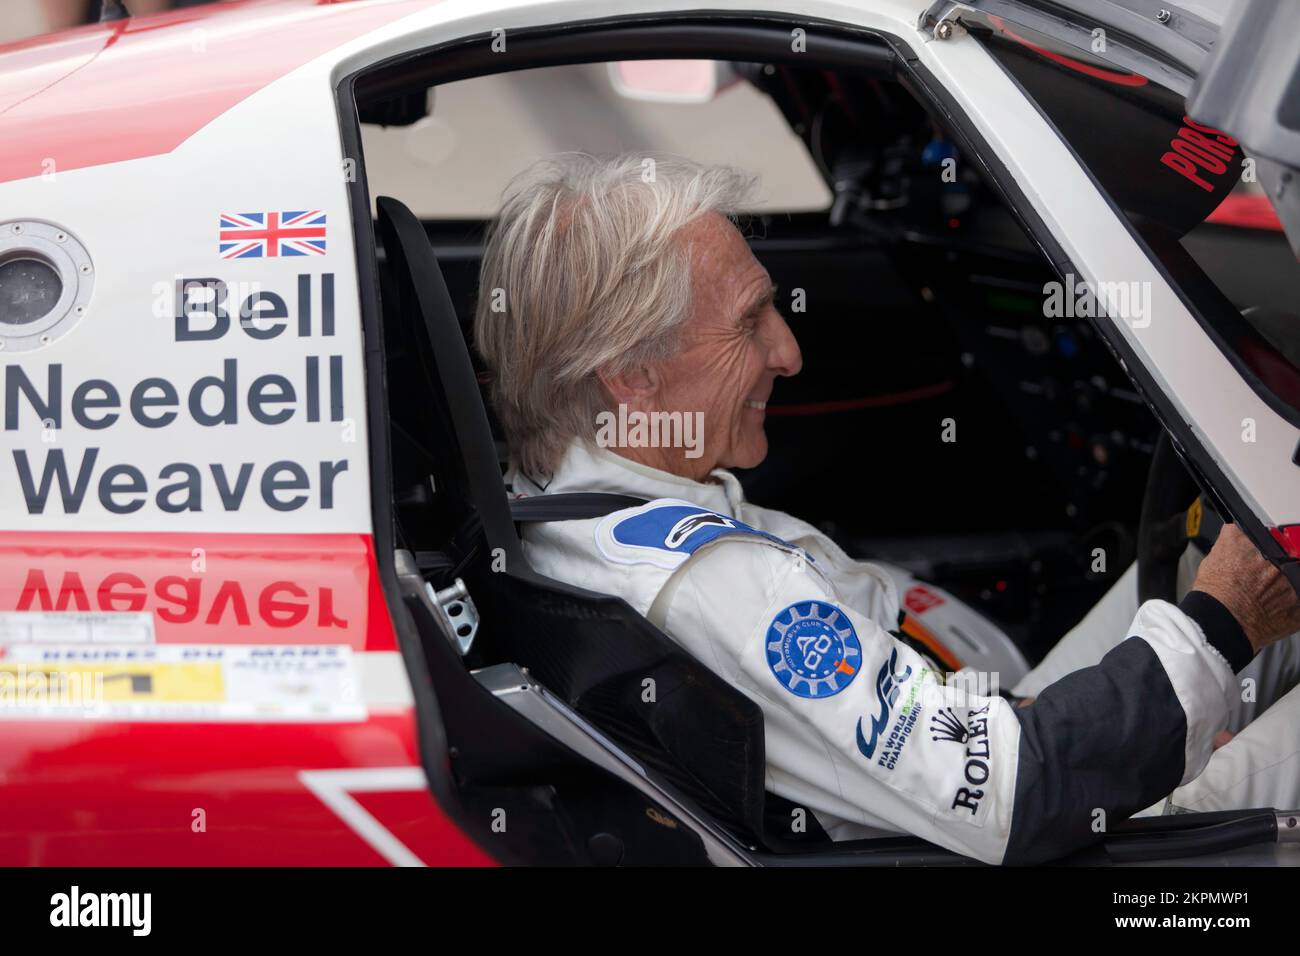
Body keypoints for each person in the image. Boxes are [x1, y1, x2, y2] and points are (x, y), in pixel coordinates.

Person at [472, 153, 1300, 864]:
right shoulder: (717, 585)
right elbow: (1019, 791)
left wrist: (1153, 692)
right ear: (632, 374)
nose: (787, 352)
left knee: (1201, 567)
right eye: (748, 322)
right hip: (1030, 832)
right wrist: (1221, 626)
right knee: (1229, 590)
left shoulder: (552, 507)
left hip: (960, 762)